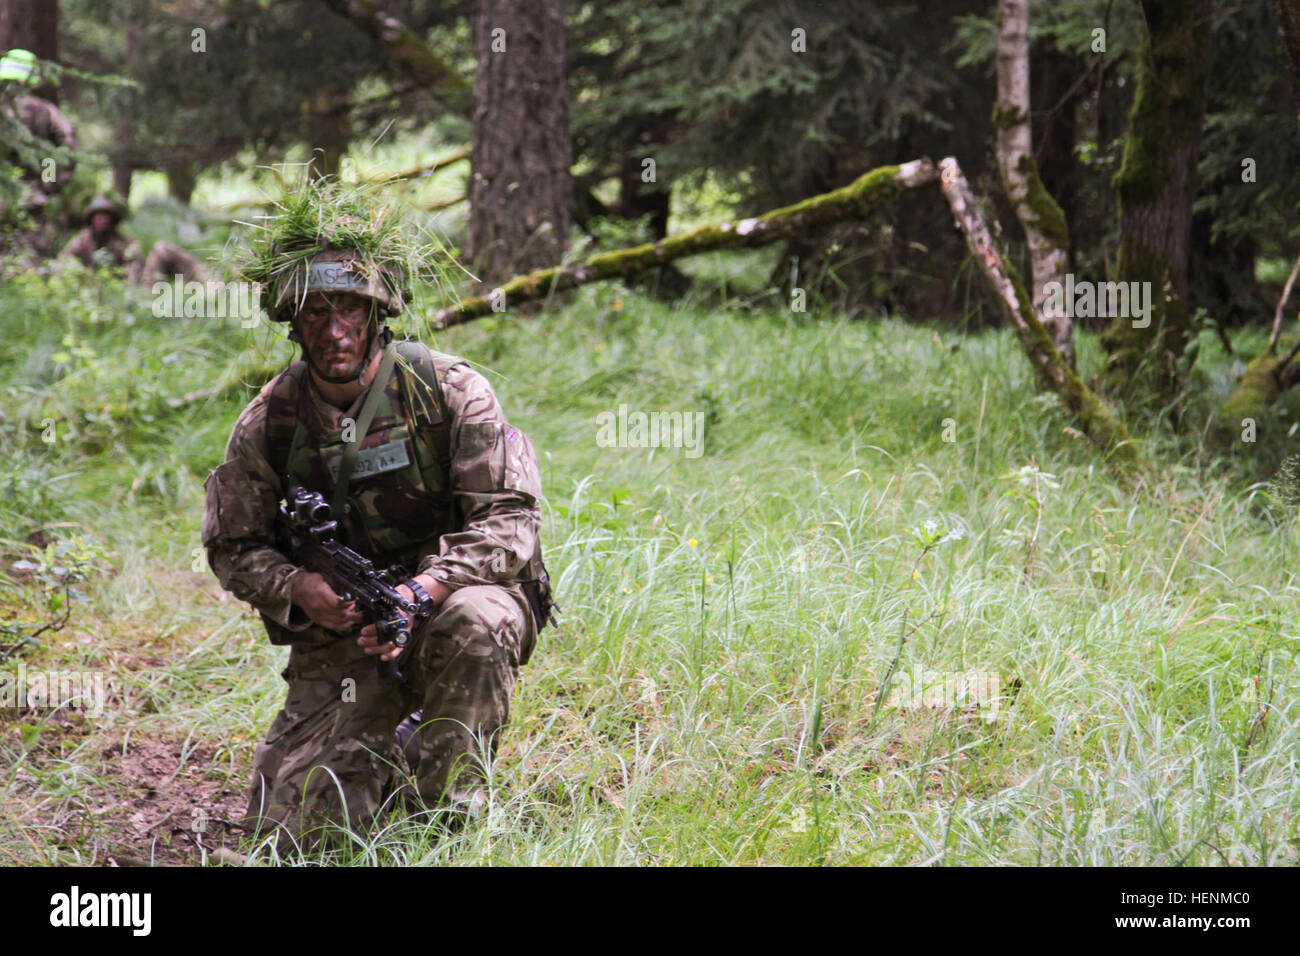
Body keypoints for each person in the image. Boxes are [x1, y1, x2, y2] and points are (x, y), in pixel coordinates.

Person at [201, 211, 552, 848]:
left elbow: (510, 520)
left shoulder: (447, 391)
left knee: (479, 621)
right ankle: (393, 747)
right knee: (299, 835)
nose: (335, 332)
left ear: (377, 315)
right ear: (294, 326)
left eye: (351, 312)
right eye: (316, 315)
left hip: (450, 603)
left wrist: (424, 592)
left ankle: (448, 817)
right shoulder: (272, 422)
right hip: (348, 637)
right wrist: (299, 586)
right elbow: (232, 545)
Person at [0, 48, 76, 260]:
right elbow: (61, 150)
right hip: (32, 196)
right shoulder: (44, 111)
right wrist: (48, 181)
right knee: (30, 259)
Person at [59, 193, 211, 284]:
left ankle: (210, 281)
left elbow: (135, 270)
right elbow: (62, 264)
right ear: (91, 219)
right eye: (97, 216)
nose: (102, 220)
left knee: (162, 248)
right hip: (95, 293)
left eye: (105, 216)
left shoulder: (125, 243)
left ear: (112, 219)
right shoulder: (81, 241)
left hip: (133, 289)